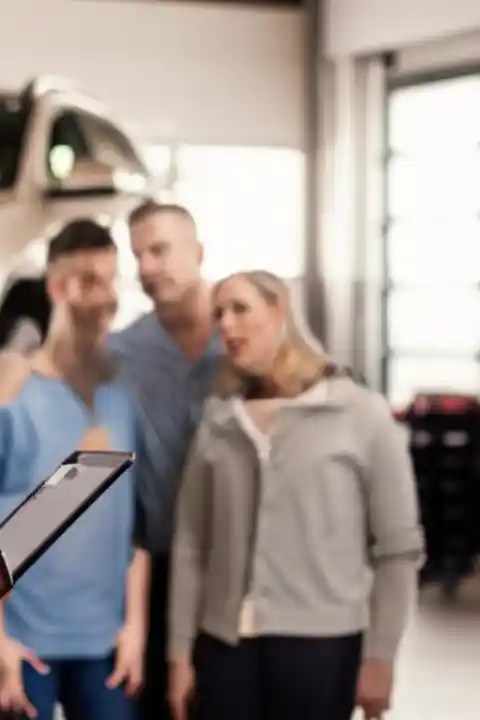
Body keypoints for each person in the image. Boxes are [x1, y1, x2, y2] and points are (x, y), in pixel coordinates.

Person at [166, 270, 424, 720]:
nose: (226, 325)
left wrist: (381, 656)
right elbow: (191, 545)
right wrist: (179, 655)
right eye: (218, 314)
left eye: (240, 309)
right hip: (224, 647)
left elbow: (398, 549)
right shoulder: (218, 422)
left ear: (281, 311)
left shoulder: (360, 413)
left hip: (322, 646)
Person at [0, 219, 149, 720]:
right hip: (23, 643)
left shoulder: (121, 396)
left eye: (111, 280)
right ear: (57, 287)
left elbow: (134, 526)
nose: (106, 297)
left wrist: (135, 627)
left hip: (105, 645)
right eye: (89, 281)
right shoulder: (2, 400)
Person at [106, 201, 221, 720]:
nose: (147, 267)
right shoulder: (120, 354)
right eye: (138, 255)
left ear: (198, 252)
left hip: (240, 574)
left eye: (160, 250)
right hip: (156, 570)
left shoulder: (248, 343)